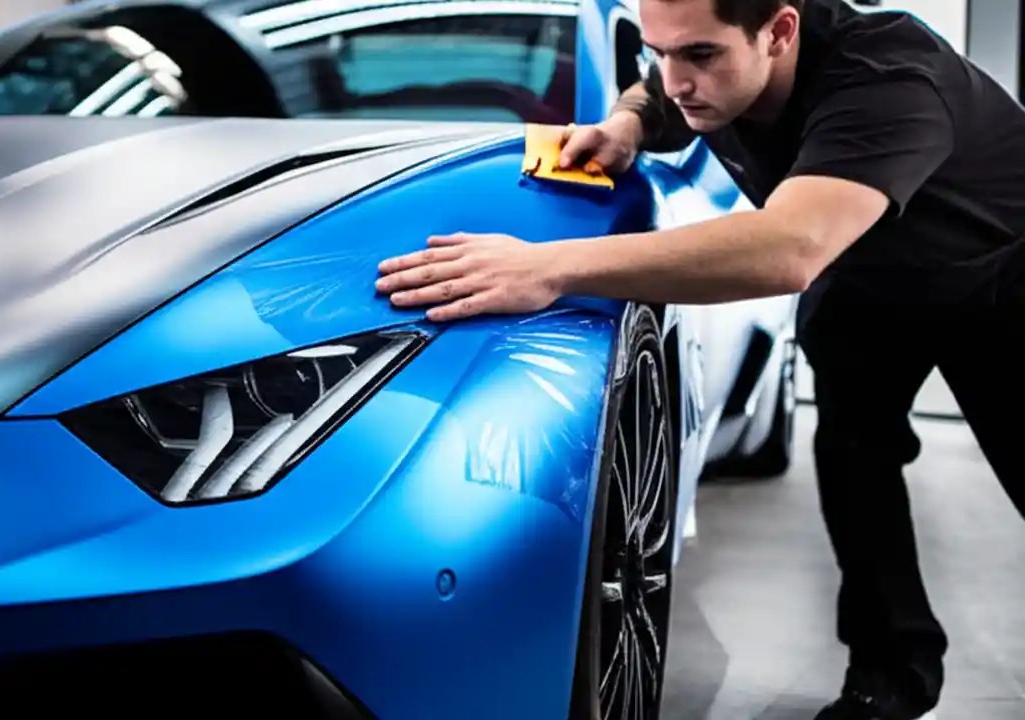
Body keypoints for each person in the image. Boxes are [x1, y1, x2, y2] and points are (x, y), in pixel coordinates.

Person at [374, 0, 1025, 718]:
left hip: (996, 276)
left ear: (780, 31)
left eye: (701, 56)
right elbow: (657, 93)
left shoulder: (890, 79)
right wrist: (623, 125)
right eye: (662, 50)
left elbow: (789, 248)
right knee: (854, 458)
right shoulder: (702, 72)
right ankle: (890, 679)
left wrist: (549, 268)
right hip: (868, 276)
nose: (678, 80)